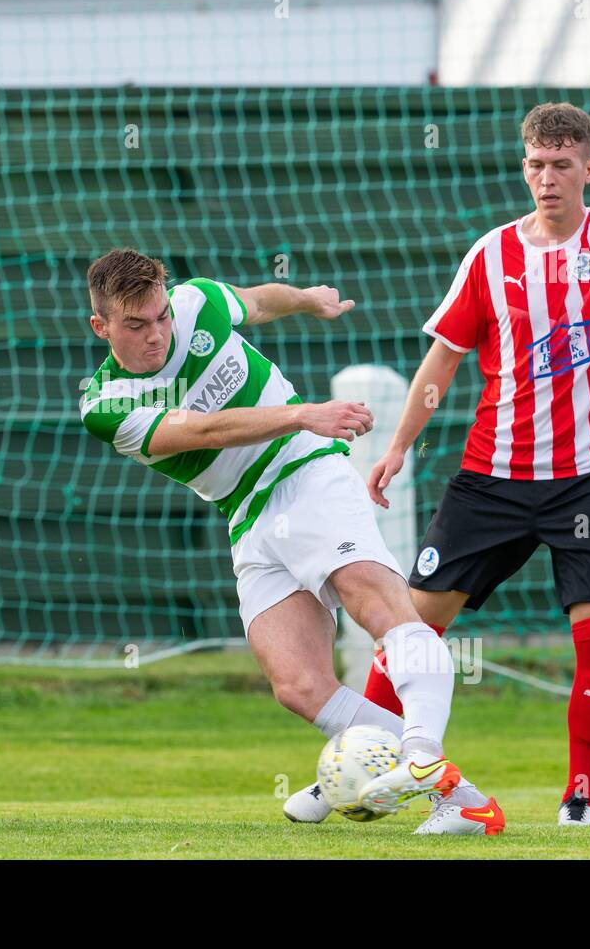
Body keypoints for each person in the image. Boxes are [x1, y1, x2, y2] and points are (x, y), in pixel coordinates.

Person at [365, 0, 590, 826]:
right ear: (523, 168)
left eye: (562, 164)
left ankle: (577, 798)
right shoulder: (490, 255)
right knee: (411, 633)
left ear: (588, 169)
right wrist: (398, 445)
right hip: (491, 476)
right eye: (536, 164)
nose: (548, 177)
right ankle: (368, 770)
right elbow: (441, 362)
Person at [80, 247, 502, 834]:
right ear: (101, 327)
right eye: (136, 325)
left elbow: (255, 301)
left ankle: (422, 750)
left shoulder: (196, 301)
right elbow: (198, 430)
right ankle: (462, 799)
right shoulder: (106, 405)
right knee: (298, 685)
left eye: (160, 317)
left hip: (306, 469)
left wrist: (307, 299)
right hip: (247, 514)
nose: (156, 334)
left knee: (379, 606)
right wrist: (301, 411)